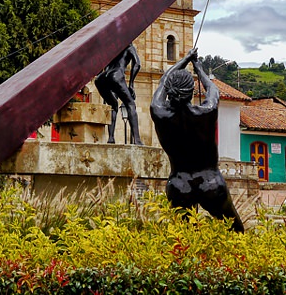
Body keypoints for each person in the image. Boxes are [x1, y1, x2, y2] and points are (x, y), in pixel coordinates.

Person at [151, 47, 244, 232]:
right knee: (236, 232)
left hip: (179, 185)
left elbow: (163, 80)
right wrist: (198, 67)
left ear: (169, 91)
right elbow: (213, 89)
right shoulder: (207, 112)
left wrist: (185, 59)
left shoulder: (158, 111)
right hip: (211, 183)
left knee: (184, 239)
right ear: (192, 92)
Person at [94, 44, 142, 144]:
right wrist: (131, 84)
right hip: (116, 75)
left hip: (101, 78)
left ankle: (111, 138)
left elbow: (103, 63)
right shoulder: (129, 47)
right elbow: (137, 64)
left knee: (112, 105)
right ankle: (137, 140)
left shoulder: (114, 47)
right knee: (130, 104)